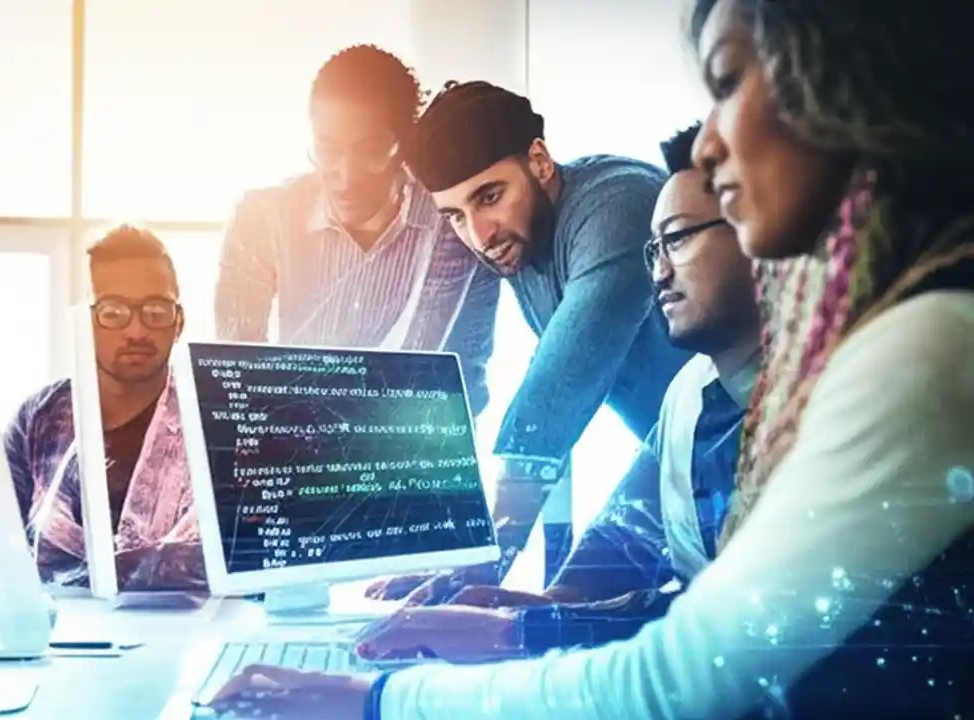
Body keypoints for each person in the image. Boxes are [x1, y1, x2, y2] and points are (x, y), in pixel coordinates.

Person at [206, 0, 974, 716]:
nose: (709, 143)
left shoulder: (927, 345)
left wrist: (382, 698)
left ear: (849, 86)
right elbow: (650, 580)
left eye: (731, 81)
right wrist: (521, 620)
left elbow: (682, 675)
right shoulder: (694, 400)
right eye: (453, 215)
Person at [352, 121, 764, 663]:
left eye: (680, 239)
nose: (660, 271)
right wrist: (542, 603)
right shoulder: (690, 396)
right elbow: (630, 531)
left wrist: (517, 612)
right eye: (654, 248)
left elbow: (737, 625)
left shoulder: (815, 416)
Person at [368, 81, 694, 604]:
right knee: (559, 606)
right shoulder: (519, 241)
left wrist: (480, 557)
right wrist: (469, 560)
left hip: (761, 453)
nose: (479, 234)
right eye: (454, 215)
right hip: (677, 456)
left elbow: (555, 395)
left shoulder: (619, 206)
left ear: (539, 161)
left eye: (490, 196)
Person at [215, 44, 499, 414]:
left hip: (411, 440)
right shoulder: (263, 216)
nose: (346, 176)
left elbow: (448, 374)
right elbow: (235, 373)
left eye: (371, 149)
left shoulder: (450, 220)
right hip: (288, 438)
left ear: (405, 145)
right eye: (328, 149)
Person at [5, 225, 205, 591]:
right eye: (113, 311)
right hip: (57, 634)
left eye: (156, 311)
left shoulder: (212, 419)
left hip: (189, 629)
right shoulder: (37, 420)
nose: (136, 331)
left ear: (179, 322)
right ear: (84, 321)